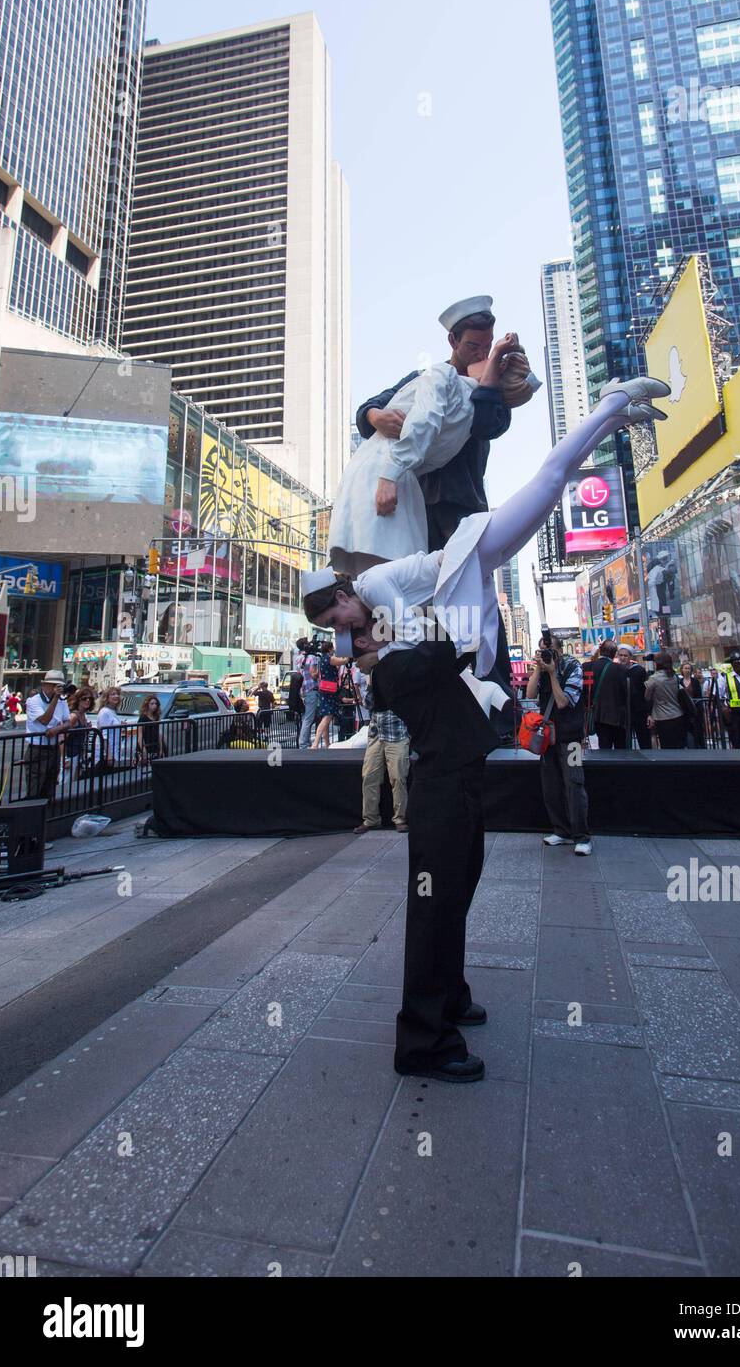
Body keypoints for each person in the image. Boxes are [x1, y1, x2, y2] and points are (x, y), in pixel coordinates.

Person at [302, 372, 670, 1083]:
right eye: (330, 627)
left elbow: (432, 596)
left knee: (456, 891)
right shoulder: (392, 665)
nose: (340, 627)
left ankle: (453, 997)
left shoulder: (387, 615)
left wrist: (448, 571)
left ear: (347, 596)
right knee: (434, 903)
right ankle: (423, 1041)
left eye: (336, 614)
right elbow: (447, 645)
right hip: (439, 780)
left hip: (457, 733)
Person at [331, 335, 539, 576]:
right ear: (453, 341)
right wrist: (373, 415)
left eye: (488, 346)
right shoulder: (434, 375)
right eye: (475, 345)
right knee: (399, 576)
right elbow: (375, 408)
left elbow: (484, 422)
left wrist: (492, 373)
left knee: (458, 581)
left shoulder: (492, 401)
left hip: (458, 506)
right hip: (410, 493)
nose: (484, 353)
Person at [526, 639, 591, 855]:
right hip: (548, 738)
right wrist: (538, 668)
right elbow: (529, 694)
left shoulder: (573, 666)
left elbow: (563, 702)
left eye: (548, 650)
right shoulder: (542, 669)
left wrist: (553, 674)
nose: (545, 654)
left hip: (571, 737)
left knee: (574, 783)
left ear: (559, 649)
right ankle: (561, 830)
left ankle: (581, 835)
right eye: (541, 650)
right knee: (551, 785)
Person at [356, 705, 410, 835]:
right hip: (377, 735)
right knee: (369, 776)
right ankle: (371, 819)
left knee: (398, 777)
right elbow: (367, 703)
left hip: (397, 734)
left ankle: (400, 818)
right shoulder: (374, 685)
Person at [23, 670, 72, 801]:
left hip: (54, 747)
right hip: (38, 749)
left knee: (50, 786)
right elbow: (45, 720)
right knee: (35, 787)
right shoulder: (34, 701)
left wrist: (55, 730)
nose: (57, 689)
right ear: (45, 685)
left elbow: (68, 722)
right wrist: (55, 699)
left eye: (59, 686)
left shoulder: (62, 701)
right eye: (54, 685)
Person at [584, 641, 628, 749]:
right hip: (617, 716)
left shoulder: (587, 667)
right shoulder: (620, 669)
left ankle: (605, 766)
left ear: (601, 651)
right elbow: (625, 693)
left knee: (603, 746)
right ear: (614, 654)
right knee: (620, 749)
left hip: (596, 715)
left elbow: (584, 691)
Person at [645, 653, 688, 749]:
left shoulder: (654, 679)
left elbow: (647, 696)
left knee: (667, 747)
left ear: (657, 664)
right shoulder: (674, 677)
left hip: (662, 717)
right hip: (678, 714)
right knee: (679, 746)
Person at [311, 642, 346, 750]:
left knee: (326, 716)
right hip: (330, 690)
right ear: (330, 649)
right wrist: (348, 653)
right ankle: (315, 743)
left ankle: (327, 744)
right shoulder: (330, 658)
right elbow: (345, 661)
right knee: (328, 716)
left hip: (324, 689)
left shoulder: (322, 659)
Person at [616, 646, 651, 749]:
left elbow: (646, 692)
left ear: (630, 657)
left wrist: (648, 712)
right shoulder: (616, 670)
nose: (622, 658)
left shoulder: (639, 670)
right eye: (621, 655)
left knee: (644, 740)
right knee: (623, 742)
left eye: (625, 655)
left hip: (639, 711)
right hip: (623, 712)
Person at [96, 687, 134, 771]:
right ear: (107, 698)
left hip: (114, 751)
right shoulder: (105, 712)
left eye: (117, 694)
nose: (116, 696)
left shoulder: (112, 711)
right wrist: (109, 755)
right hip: (107, 754)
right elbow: (104, 735)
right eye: (113, 694)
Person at [294, 638, 321, 750]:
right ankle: (304, 744)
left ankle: (305, 742)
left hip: (303, 690)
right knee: (308, 718)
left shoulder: (298, 659)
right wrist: (321, 668)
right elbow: (314, 675)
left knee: (307, 717)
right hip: (312, 689)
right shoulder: (312, 658)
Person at [63, 687, 96, 778]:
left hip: (78, 754)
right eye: (84, 698)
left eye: (90, 699)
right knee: (65, 782)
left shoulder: (83, 716)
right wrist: (64, 759)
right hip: (70, 754)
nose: (87, 701)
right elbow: (62, 738)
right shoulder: (74, 716)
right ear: (78, 700)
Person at [679, 660, 705, 748]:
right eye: (685, 668)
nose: (687, 670)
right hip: (683, 712)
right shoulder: (679, 682)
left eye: (689, 668)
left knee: (697, 731)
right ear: (682, 670)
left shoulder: (695, 682)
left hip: (695, 710)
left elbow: (699, 696)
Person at [136, 694, 166, 766]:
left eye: (156, 704)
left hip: (154, 746)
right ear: (147, 705)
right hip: (146, 745)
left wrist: (161, 748)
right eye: (152, 704)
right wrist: (143, 749)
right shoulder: (143, 717)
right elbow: (140, 734)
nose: (154, 706)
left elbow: (159, 733)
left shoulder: (156, 717)